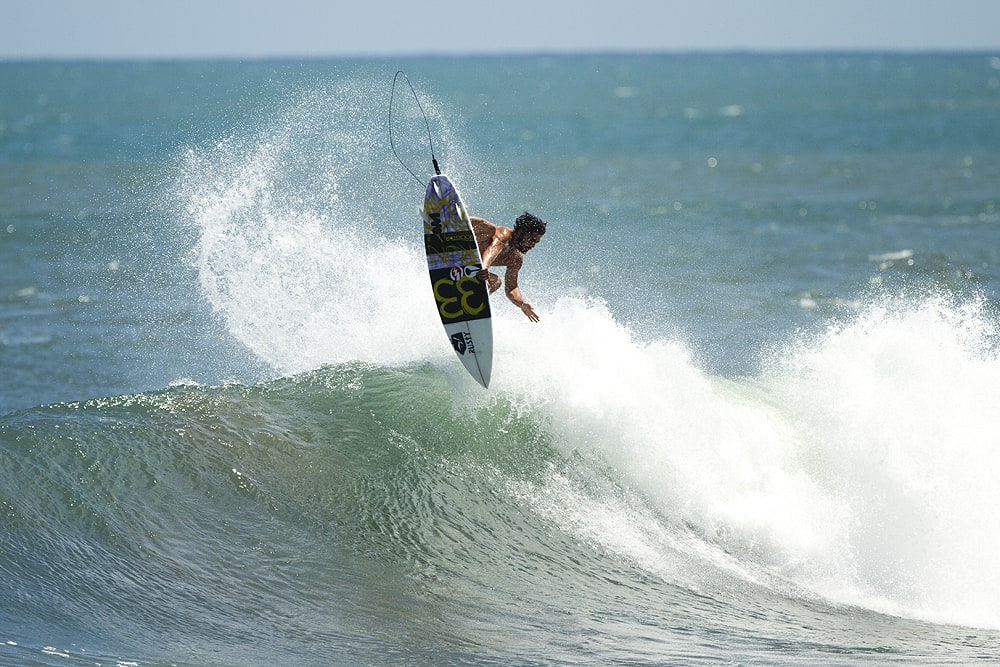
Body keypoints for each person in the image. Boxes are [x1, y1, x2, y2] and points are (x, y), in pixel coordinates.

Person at [471, 212, 546, 323]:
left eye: (536, 242)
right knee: (490, 228)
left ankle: (471, 305)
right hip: (461, 248)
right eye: (531, 239)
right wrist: (484, 266)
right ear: (521, 232)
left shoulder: (515, 258)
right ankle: (454, 220)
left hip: (469, 268)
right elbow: (494, 248)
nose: (533, 244)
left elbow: (511, 288)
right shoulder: (504, 234)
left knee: (495, 282)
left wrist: (522, 303)